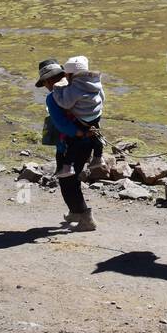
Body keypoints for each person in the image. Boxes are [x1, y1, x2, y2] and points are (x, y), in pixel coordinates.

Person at [35, 58, 100, 232]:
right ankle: (74, 211)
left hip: (68, 146)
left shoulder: (52, 99)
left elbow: (62, 124)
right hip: (88, 143)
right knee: (74, 178)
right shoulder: (85, 91)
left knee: (67, 181)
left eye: (45, 83)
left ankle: (85, 217)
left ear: (48, 81)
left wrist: (78, 133)